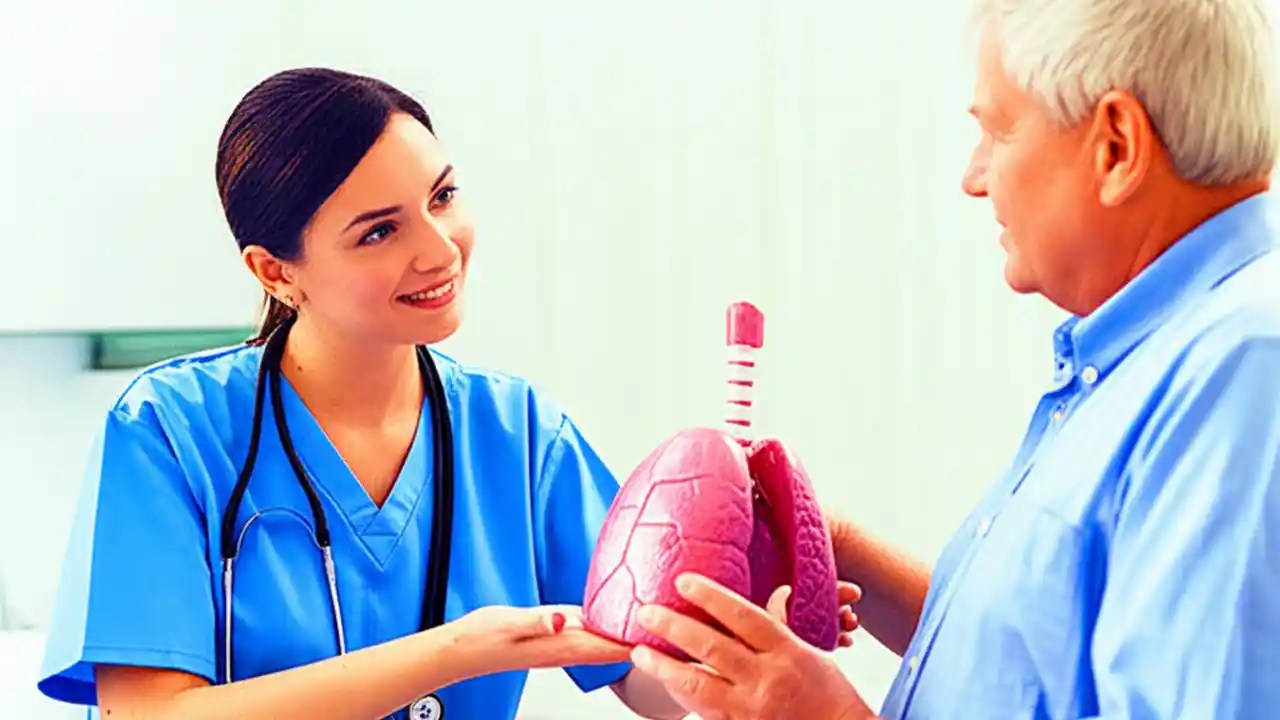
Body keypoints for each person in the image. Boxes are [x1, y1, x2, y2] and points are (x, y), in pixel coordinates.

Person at [627, 0, 1280, 718]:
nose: (975, 177)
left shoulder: (1243, 374)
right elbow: (1033, 665)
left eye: (997, 132)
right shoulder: (1147, 360)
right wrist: (825, 542)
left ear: (1116, 145)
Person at [34, 67, 693, 720]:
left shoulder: (518, 435)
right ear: (275, 270)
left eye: (442, 198)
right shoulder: (170, 432)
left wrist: (734, 607)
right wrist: (455, 652)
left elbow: (651, 683)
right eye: (380, 231)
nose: (440, 251)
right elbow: (150, 715)